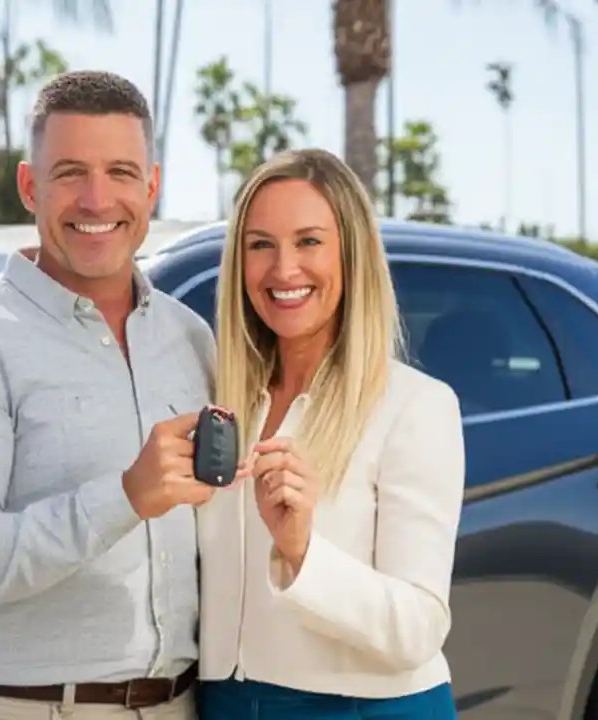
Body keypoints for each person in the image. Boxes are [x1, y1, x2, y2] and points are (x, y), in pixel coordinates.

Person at [0, 70, 217, 720]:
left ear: (151, 186)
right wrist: (123, 497)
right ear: (29, 186)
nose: (97, 200)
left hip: (180, 706)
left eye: (121, 172)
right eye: (71, 173)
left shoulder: (189, 336)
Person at [195, 147, 466, 719]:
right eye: (260, 245)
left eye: (309, 241)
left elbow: (419, 628)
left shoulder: (415, 406)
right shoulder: (220, 403)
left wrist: (302, 551)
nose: (283, 269)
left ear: (352, 254)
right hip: (225, 705)